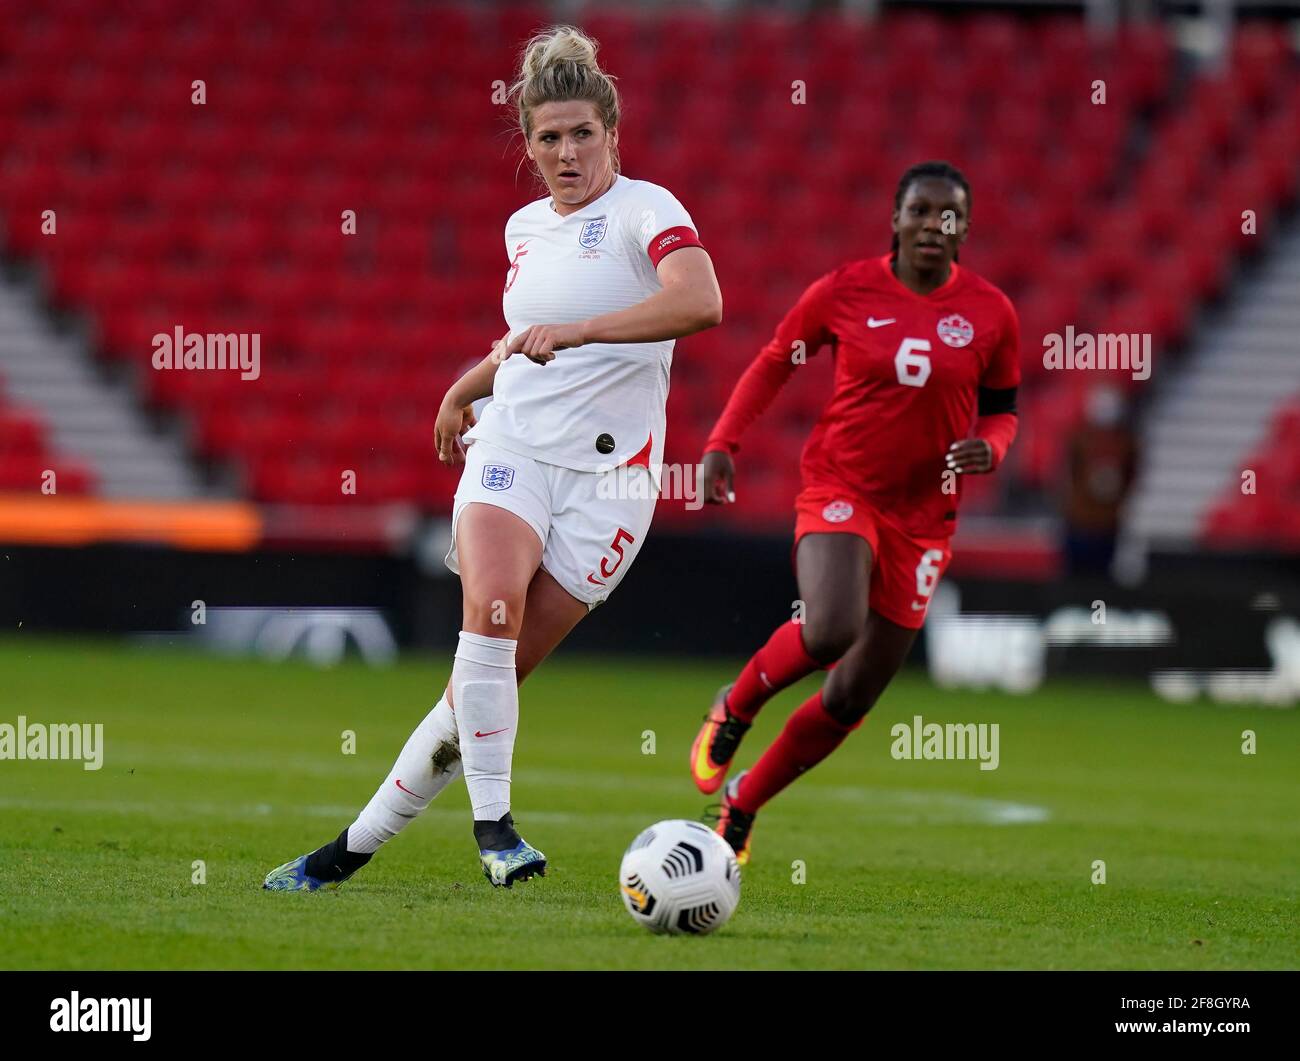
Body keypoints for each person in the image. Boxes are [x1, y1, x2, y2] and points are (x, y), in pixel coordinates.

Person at [264, 25, 721, 891]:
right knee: (493, 612)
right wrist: (465, 384)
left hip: (613, 484)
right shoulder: (523, 228)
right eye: (547, 137)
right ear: (528, 144)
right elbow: (526, 336)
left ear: (612, 134)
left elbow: (700, 302)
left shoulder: (648, 211)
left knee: (484, 681)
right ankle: (497, 830)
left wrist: (580, 334)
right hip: (512, 447)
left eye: (582, 133)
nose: (566, 151)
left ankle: (346, 851)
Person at [691, 161, 1019, 864]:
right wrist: (723, 440)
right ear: (895, 221)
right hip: (843, 484)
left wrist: (990, 448)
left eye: (950, 215)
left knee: (850, 697)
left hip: (926, 517)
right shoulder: (845, 291)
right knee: (832, 626)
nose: (935, 225)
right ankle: (737, 704)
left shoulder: (992, 313)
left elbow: (1003, 412)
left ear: (965, 229)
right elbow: (778, 359)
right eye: (921, 211)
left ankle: (745, 800)